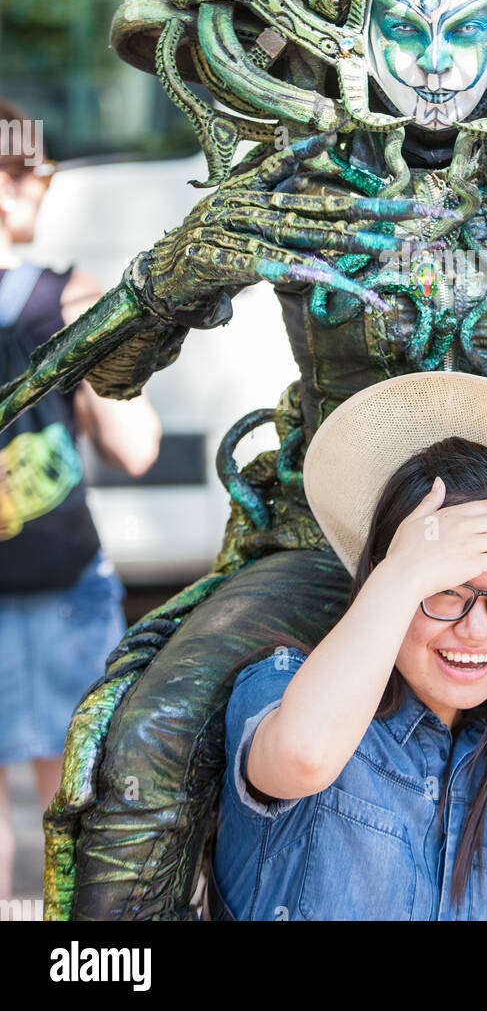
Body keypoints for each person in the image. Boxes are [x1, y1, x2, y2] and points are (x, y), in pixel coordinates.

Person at [208, 371, 487, 921]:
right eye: (443, 591)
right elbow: (303, 756)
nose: (478, 630)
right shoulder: (283, 687)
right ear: (388, 580)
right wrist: (405, 569)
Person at [0, 99, 161, 900]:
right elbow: (138, 449)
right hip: (63, 581)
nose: (49, 186)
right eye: (38, 173)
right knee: (70, 807)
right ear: (6, 187)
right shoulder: (65, 297)